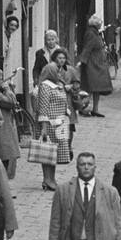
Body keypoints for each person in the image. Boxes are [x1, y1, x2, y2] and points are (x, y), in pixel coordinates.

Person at [35, 63, 73, 192]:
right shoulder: (45, 86)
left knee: (55, 154)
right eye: (56, 72)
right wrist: (43, 128)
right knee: (47, 152)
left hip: (60, 123)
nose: (59, 74)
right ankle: (47, 179)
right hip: (50, 124)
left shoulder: (59, 85)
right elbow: (43, 108)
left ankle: (52, 178)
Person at [77, 14, 113, 118]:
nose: (101, 25)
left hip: (99, 62)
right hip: (93, 63)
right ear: (96, 24)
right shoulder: (91, 34)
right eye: (100, 23)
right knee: (90, 86)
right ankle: (82, 108)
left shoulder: (96, 33)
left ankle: (95, 109)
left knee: (97, 87)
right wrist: (82, 61)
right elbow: (87, 48)